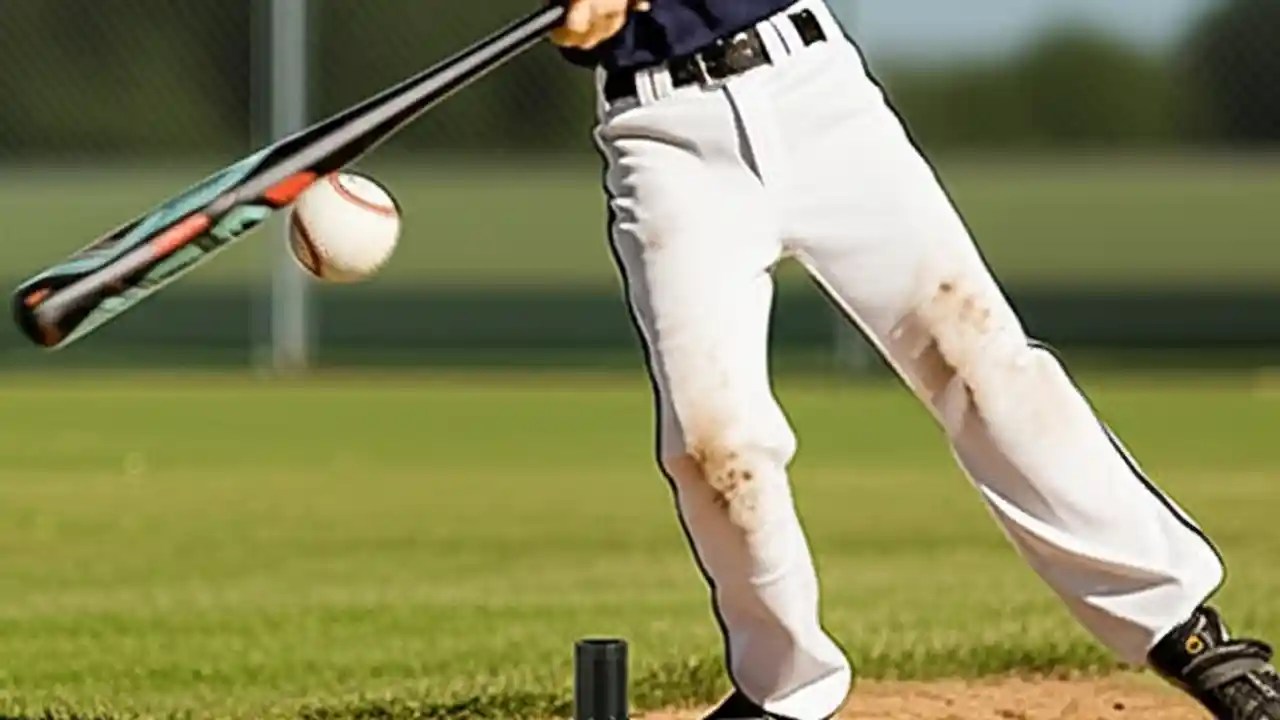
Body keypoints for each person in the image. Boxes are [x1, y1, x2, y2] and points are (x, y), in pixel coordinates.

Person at [550, 1, 1280, 718]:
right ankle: (784, 691)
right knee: (714, 440)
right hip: (660, 136)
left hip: (810, 93)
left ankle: (1181, 628)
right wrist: (585, 23)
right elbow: (586, 27)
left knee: (980, 363)